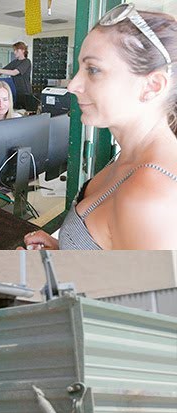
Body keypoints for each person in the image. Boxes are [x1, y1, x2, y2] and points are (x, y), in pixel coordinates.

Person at [25, 6, 177, 250]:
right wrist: (62, 249)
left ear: (152, 86)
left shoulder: (150, 199)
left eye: (93, 70)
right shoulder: (128, 156)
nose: (73, 85)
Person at [0, 41, 38, 113]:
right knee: (15, 112)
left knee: (26, 113)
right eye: (14, 50)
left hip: (25, 93)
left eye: (17, 50)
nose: (14, 52)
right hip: (15, 92)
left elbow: (14, 72)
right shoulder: (14, 62)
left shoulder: (26, 61)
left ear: (23, 51)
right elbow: (1, 71)